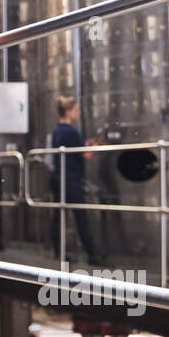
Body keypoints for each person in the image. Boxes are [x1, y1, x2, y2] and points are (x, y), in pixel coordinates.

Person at [46, 96, 103, 265]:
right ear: (69, 112)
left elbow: (71, 151)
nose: (78, 113)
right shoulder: (71, 132)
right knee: (81, 217)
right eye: (76, 110)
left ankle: (58, 252)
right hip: (70, 179)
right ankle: (93, 254)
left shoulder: (57, 131)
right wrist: (94, 147)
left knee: (58, 216)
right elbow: (85, 155)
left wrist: (84, 145)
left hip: (57, 177)